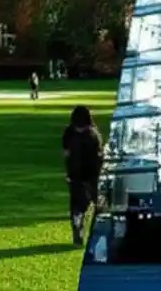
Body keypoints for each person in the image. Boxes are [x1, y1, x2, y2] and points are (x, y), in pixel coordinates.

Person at [62, 105, 103, 247]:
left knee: (76, 203)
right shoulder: (93, 135)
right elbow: (98, 157)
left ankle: (77, 224)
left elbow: (66, 153)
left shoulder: (69, 133)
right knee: (93, 202)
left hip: (75, 174)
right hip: (91, 175)